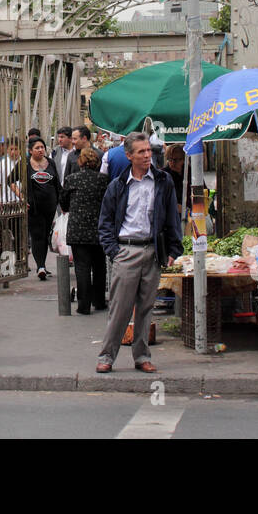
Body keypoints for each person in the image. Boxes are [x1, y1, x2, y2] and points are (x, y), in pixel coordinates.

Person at [95, 132, 181, 374]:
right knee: (120, 308)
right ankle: (107, 355)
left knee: (145, 308)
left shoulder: (163, 182)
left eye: (149, 151)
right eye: (141, 152)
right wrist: (114, 251)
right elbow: (105, 222)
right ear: (129, 155)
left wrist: (174, 249)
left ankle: (141, 356)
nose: (147, 155)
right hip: (126, 250)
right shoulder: (118, 185)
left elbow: (172, 218)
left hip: (152, 251)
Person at [62, 146, 109, 314]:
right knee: (99, 265)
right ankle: (99, 301)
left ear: (80, 162)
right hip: (98, 228)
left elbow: (64, 203)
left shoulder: (71, 179)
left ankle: (84, 305)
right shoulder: (104, 180)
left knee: (81, 267)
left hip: (77, 228)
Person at [25, 136, 60, 280]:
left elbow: (57, 182)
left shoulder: (50, 162)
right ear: (30, 151)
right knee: (37, 235)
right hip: (34, 207)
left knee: (45, 235)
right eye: (37, 148)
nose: (41, 150)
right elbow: (11, 180)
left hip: (50, 205)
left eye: (42, 147)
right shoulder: (26, 165)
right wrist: (22, 198)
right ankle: (40, 265)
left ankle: (43, 265)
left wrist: (61, 202)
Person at [0, 139, 22, 205]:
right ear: (7, 150)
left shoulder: (24, 163)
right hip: (5, 202)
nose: (13, 152)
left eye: (16, 149)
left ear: (20, 150)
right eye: (11, 149)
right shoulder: (1, 165)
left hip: (22, 201)